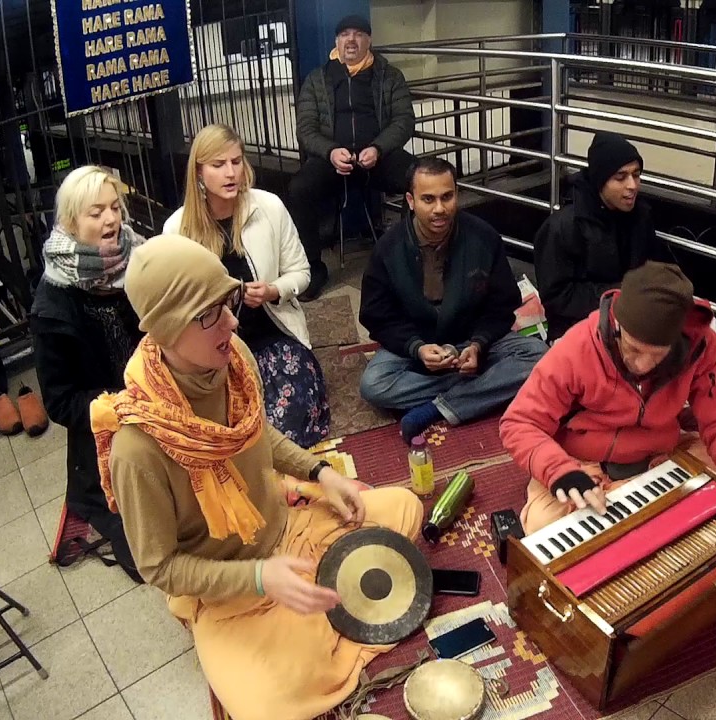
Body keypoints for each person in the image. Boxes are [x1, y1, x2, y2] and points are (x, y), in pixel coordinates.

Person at [92, 235, 423, 720]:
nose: (232, 320)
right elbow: (159, 568)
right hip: (227, 587)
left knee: (405, 508)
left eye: (227, 301)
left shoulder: (233, 356)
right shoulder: (135, 448)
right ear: (165, 331)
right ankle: (296, 622)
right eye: (208, 314)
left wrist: (320, 472)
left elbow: (254, 433)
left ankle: (308, 613)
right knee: (267, 707)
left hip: (287, 528)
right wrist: (260, 577)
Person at [500, 261, 716, 549]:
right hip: (581, 461)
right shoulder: (578, 346)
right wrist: (560, 471)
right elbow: (520, 423)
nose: (642, 365)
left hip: (660, 453)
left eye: (657, 355)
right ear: (616, 325)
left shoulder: (702, 346)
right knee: (546, 531)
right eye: (633, 349)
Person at [358, 157, 548, 443]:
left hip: (473, 341)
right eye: (428, 199)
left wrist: (478, 344)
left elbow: (502, 305)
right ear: (410, 201)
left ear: (457, 194)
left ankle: (437, 407)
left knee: (540, 357)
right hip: (419, 347)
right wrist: (417, 348)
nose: (439, 208)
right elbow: (376, 315)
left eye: (447, 197)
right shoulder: (389, 248)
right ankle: (481, 387)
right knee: (373, 384)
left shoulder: (483, 237)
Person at [164, 124, 330, 448]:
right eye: (218, 165)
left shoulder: (268, 208)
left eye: (236, 162)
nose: (231, 173)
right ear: (198, 173)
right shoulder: (177, 229)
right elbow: (175, 308)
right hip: (217, 350)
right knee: (230, 432)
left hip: (273, 336)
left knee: (287, 425)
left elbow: (301, 272)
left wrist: (274, 290)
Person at [31, 165, 146, 583]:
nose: (111, 220)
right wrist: (123, 407)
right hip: (109, 430)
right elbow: (60, 402)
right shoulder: (53, 304)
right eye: (96, 212)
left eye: (115, 208)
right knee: (148, 555)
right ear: (70, 222)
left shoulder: (140, 257)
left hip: (162, 400)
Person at [289, 14, 417, 300]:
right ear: (337, 41)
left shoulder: (389, 76)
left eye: (358, 34)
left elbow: (404, 120)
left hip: (379, 157)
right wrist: (330, 151)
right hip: (332, 160)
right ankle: (312, 268)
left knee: (419, 179)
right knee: (299, 190)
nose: (351, 40)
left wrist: (379, 147)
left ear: (369, 40)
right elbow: (306, 128)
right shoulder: (317, 79)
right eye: (345, 34)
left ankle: (409, 261)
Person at [534, 131, 674, 340]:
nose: (632, 186)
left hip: (632, 320)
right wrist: (622, 294)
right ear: (601, 181)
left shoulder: (641, 217)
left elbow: (656, 267)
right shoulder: (564, 227)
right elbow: (557, 297)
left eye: (636, 175)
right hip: (578, 330)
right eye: (621, 177)